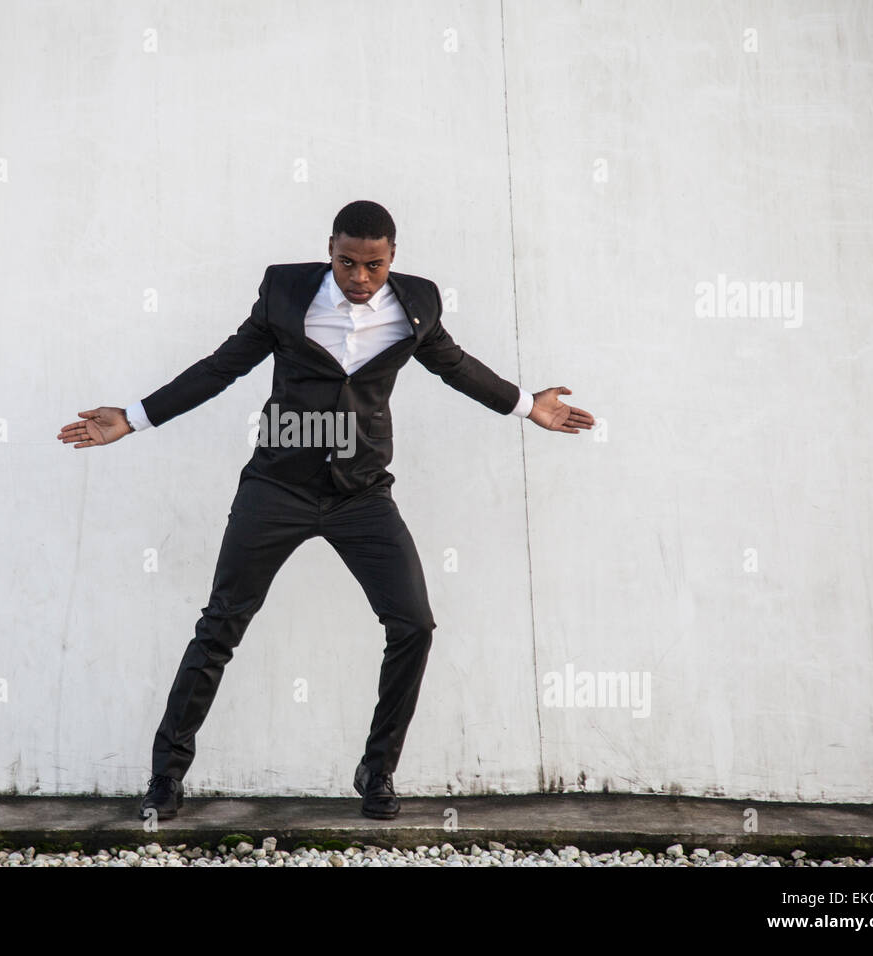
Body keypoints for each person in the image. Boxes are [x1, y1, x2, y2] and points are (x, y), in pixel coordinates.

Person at [57, 200, 594, 820]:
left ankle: (377, 771)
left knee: (414, 625)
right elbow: (222, 366)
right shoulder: (285, 293)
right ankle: (167, 775)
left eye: (373, 265)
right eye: (346, 262)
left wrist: (530, 406)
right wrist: (135, 417)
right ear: (329, 249)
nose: (359, 278)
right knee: (221, 626)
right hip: (276, 488)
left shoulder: (417, 304)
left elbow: (456, 367)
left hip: (361, 493)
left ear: (392, 258)